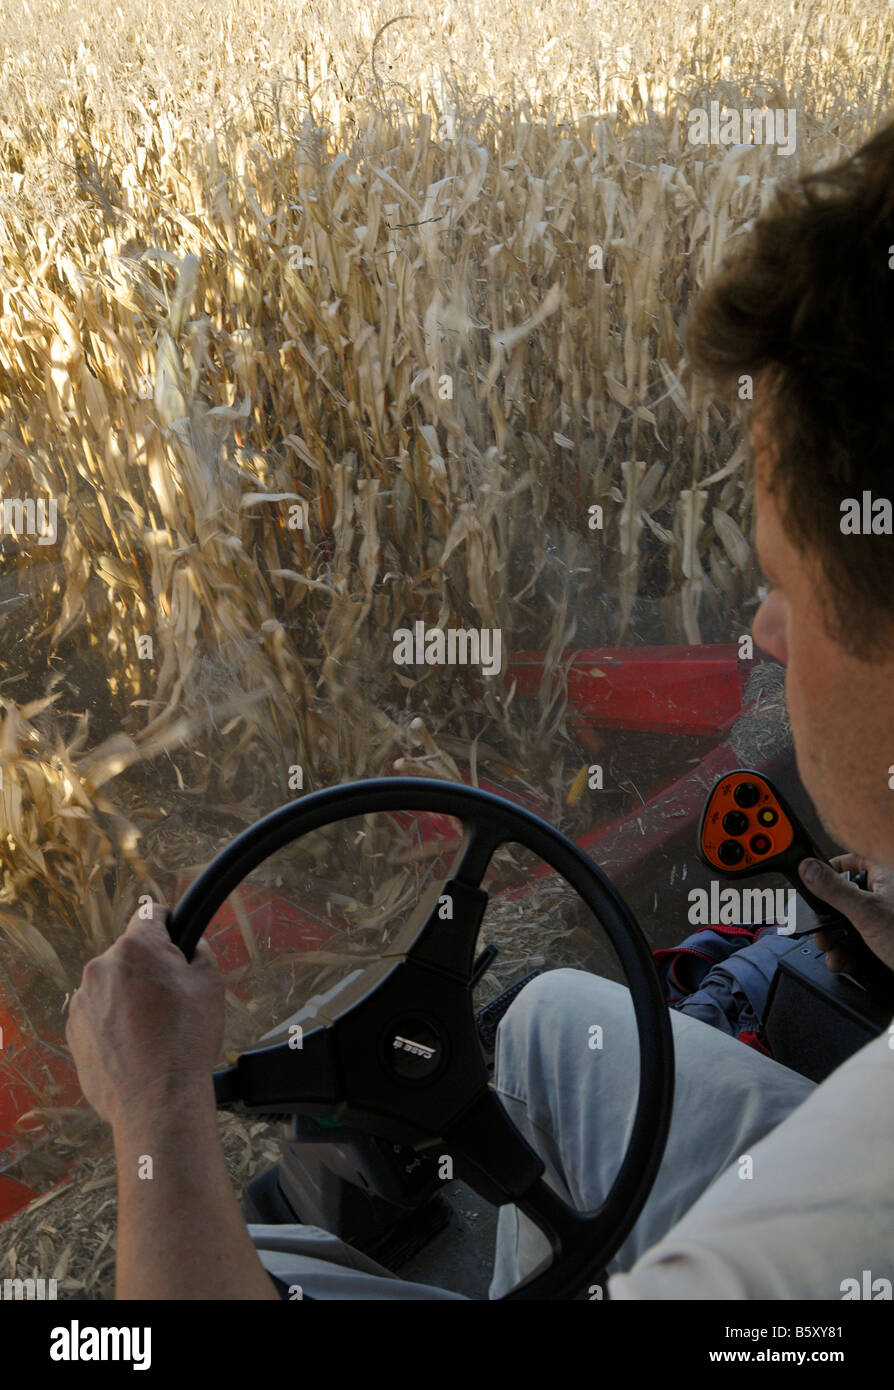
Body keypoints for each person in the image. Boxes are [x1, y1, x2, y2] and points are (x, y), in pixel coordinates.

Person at [65, 122, 894, 1300]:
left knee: (286, 1262)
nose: (761, 629)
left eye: (786, 579)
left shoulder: (794, 1275)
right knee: (557, 1019)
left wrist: (153, 1103)